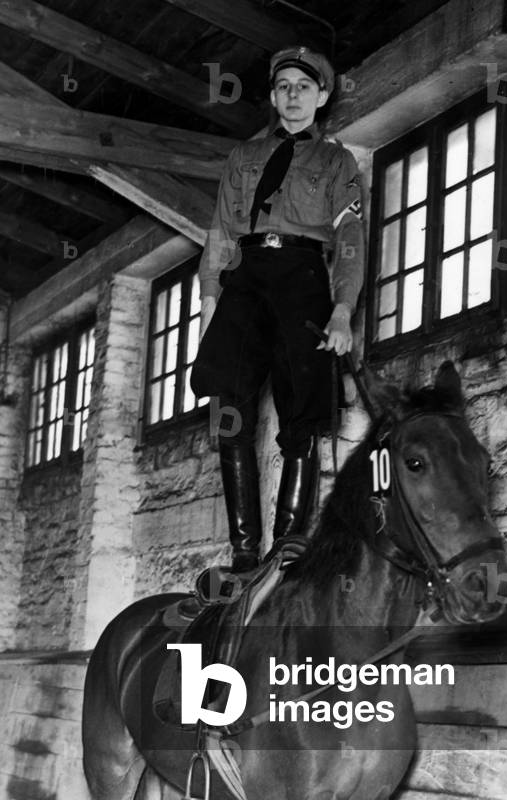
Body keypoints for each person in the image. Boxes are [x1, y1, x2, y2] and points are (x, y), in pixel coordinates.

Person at [191, 45, 364, 574]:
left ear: (322, 96)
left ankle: (287, 545)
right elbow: (219, 236)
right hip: (246, 278)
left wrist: (341, 311)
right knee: (229, 409)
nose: (293, 95)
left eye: (304, 87)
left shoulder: (337, 161)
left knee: (304, 414)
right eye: (284, 86)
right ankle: (245, 550)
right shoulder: (243, 158)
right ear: (272, 95)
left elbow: (351, 240)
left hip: (304, 277)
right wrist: (208, 308)